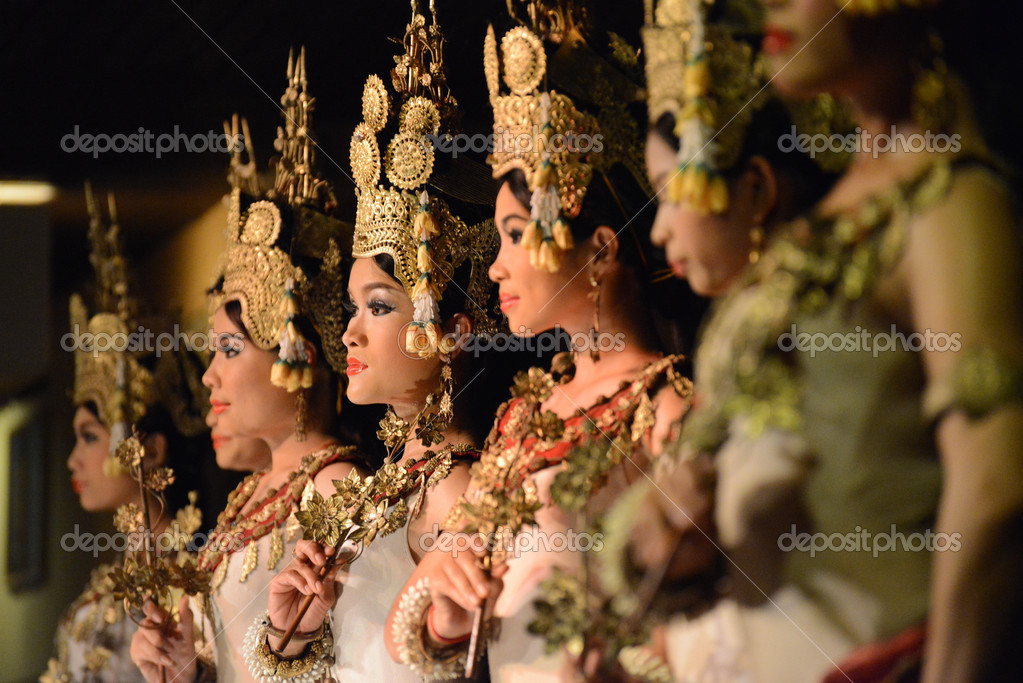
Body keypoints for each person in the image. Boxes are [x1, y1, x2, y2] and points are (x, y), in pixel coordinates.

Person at [623, 0, 1023, 680]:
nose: (765, 7)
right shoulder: (834, 220)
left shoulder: (947, 201)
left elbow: (993, 485)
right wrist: (670, 540)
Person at [386, 6, 695, 680]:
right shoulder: (521, 418)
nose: (495, 264)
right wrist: (447, 605)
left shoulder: (662, 410)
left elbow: (704, 622)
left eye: (515, 233)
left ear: (601, 248)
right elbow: (414, 632)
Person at [243, 5, 509, 680]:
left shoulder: (456, 488)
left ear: (451, 334)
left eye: (381, 306)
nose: (351, 330)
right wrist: (292, 630)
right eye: (355, 306)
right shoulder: (382, 485)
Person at [128, 50, 371, 683]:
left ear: (298, 354)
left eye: (231, 350)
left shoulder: (336, 491)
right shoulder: (248, 496)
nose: (210, 375)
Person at [42, 185, 210, 683]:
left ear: (152, 450)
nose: (74, 460)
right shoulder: (111, 579)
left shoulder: (193, 577)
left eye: (91, 437)